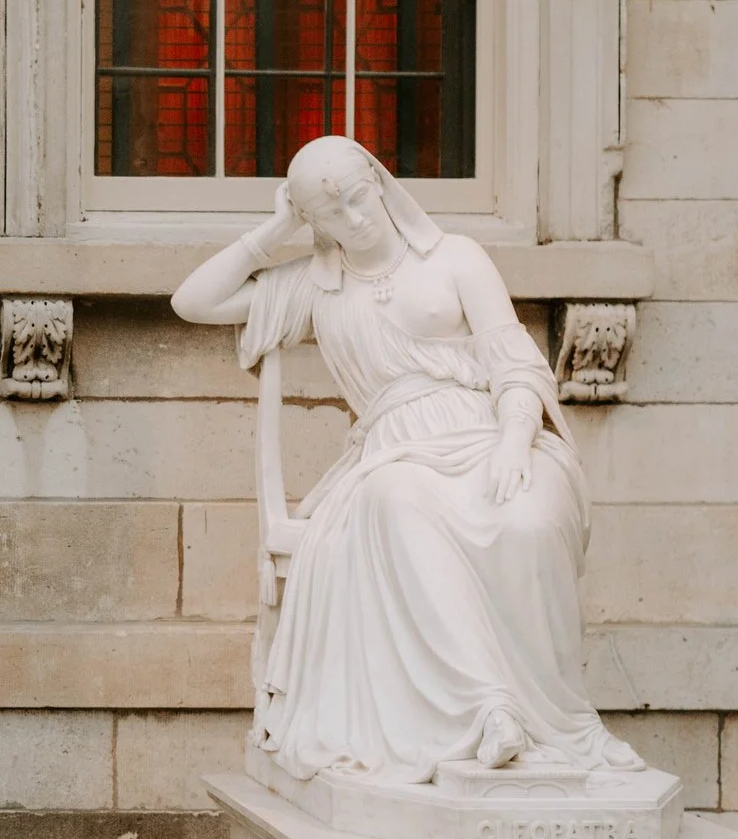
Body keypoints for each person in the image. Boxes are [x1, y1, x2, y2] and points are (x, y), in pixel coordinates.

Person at [171, 135, 647, 784]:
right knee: (396, 502)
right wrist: (273, 231)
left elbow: (514, 362)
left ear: (380, 181)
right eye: (332, 213)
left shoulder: (457, 259)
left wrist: (514, 439)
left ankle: (561, 720)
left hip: (492, 433)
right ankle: (489, 708)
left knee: (532, 520)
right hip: (396, 455)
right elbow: (191, 302)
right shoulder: (316, 289)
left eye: (360, 198)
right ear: (314, 222)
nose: (356, 219)